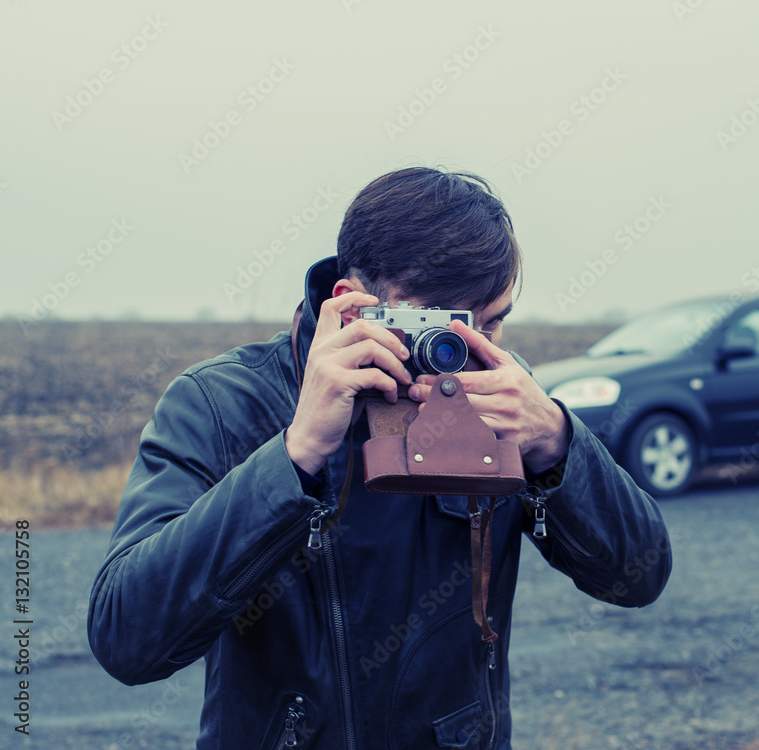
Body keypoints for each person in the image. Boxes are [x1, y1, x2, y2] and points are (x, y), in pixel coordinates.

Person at [88, 166, 671, 749]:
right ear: (352, 303)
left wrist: (555, 441)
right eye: (439, 326)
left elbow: (638, 577)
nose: (462, 353)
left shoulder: (500, 397)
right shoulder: (221, 403)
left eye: (489, 325)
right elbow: (127, 639)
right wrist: (296, 455)